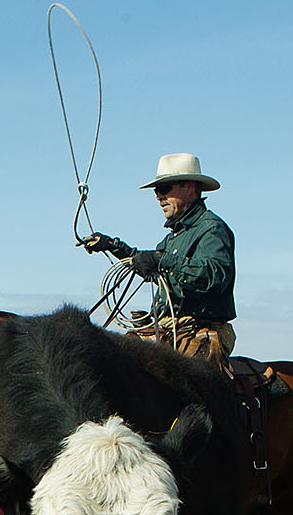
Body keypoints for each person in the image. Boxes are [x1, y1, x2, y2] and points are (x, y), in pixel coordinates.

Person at [81, 153, 236, 366]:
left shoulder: (212, 229)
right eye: (156, 191)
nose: (158, 197)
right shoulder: (173, 237)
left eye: (164, 189)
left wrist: (161, 260)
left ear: (190, 187)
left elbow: (215, 276)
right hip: (168, 329)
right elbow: (153, 266)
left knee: (179, 383)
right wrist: (113, 246)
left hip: (201, 332)